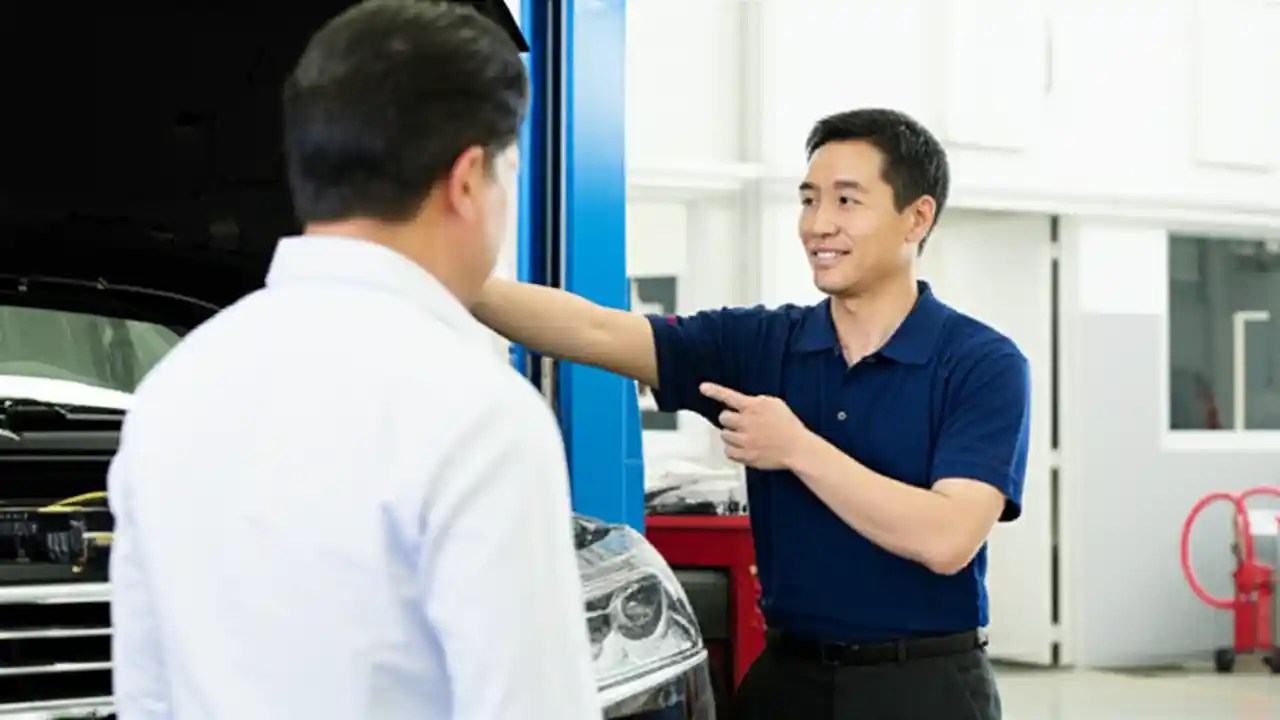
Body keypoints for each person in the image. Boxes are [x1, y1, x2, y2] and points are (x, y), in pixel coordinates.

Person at [107, 2, 600, 718]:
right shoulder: (478, 417)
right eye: (509, 171)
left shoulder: (173, 392)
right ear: (468, 180)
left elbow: (147, 699)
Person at [473, 107, 1030, 719]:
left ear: (915, 218)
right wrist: (450, 275)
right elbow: (595, 329)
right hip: (786, 683)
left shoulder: (981, 363)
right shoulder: (762, 344)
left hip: (924, 689)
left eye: (847, 202)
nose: (819, 224)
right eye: (809, 200)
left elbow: (947, 537)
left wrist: (796, 447)